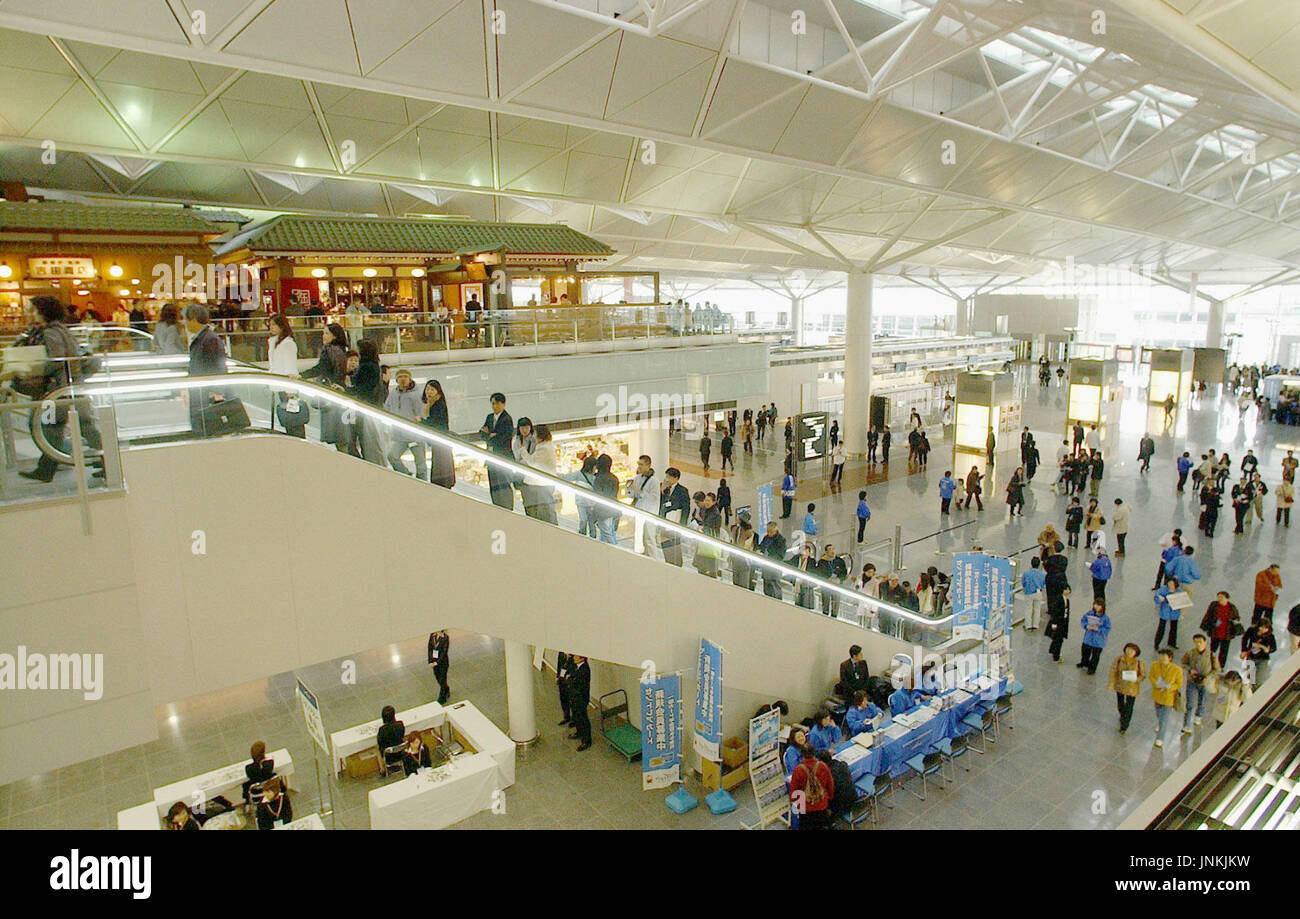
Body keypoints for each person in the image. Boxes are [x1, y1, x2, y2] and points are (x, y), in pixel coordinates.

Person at [13, 297, 105, 482]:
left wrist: (33, 371)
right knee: (85, 425)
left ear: (41, 311)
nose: (28, 312)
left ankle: (48, 467)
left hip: (56, 389)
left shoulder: (49, 333)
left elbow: (56, 359)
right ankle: (106, 461)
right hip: (73, 385)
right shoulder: (62, 330)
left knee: (49, 427)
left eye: (31, 309)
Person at [184, 303, 232, 438]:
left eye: (187, 320)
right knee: (204, 427)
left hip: (205, 394)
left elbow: (218, 366)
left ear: (193, 319)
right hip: (201, 392)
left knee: (207, 429)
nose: (186, 324)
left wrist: (217, 391)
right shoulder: (205, 338)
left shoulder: (209, 339)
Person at [383, 368, 427, 477]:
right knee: (392, 456)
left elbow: (422, 412)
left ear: (410, 379)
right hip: (399, 435)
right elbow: (387, 408)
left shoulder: (417, 394)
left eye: (405, 377)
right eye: (400, 377)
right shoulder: (393, 393)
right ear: (397, 380)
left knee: (420, 463)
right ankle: (406, 475)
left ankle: (423, 484)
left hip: (415, 436)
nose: (403, 379)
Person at [479, 393, 515, 509]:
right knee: (493, 483)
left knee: (503, 483)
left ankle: (507, 507)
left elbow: (503, 438)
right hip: (491, 456)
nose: (494, 406)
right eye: (493, 403)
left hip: (502, 456)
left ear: (503, 404)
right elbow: (482, 432)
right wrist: (490, 435)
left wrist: (490, 435)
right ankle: (496, 505)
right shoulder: (490, 417)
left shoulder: (506, 419)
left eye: (497, 403)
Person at [789, 744, 834, 830]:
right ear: (814, 752)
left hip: (805, 807)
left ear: (802, 754)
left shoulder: (798, 770)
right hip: (821, 803)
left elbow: (794, 792)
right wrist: (828, 797)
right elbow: (830, 784)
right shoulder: (822, 766)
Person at [420, 380, 455, 488]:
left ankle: (442, 485)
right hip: (439, 440)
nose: (429, 392)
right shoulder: (432, 404)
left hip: (441, 439)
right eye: (427, 389)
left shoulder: (438, 404)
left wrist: (422, 422)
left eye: (432, 389)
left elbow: (435, 422)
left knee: (441, 464)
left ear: (437, 391)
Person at [1179, 634, 1218, 732]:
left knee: (1202, 701)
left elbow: (1217, 669)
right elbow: (1183, 663)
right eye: (1196, 642)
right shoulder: (1190, 653)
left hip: (1205, 682)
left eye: (1200, 642)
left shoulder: (1211, 655)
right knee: (1190, 704)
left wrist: (1208, 677)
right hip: (1192, 681)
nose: (1198, 644)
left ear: (1205, 642)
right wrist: (1190, 670)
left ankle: (1199, 715)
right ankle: (1186, 724)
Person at [1148, 648, 1183, 748]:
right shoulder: (1155, 665)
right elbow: (1151, 676)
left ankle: (1160, 738)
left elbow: (1179, 683)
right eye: (1161, 656)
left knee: (1164, 719)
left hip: (1169, 697)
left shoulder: (1177, 670)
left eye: (1164, 656)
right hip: (1157, 694)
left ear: (1170, 658)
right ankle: (1160, 725)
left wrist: (1170, 687)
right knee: (1159, 714)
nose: (1162, 658)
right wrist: (1156, 684)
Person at [1107, 643, 1145, 733]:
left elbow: (1143, 675)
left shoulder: (1139, 663)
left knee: (1129, 706)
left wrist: (1136, 679)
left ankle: (1124, 725)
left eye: (1132, 651)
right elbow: (1113, 670)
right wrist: (1111, 683)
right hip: (1120, 685)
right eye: (1128, 650)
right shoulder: (1119, 659)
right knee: (1120, 704)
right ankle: (1122, 715)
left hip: (1132, 688)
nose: (1129, 652)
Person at [658, 468, 690, 566]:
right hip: (664, 521)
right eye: (666, 476)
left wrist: (682, 525)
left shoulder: (682, 490)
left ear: (676, 478)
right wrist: (661, 492)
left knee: (674, 545)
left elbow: (686, 509)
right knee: (665, 543)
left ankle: (677, 564)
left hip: (675, 522)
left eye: (669, 477)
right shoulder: (663, 488)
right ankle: (668, 562)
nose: (666, 479)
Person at [1077, 598, 1111, 674]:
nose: (1096, 606)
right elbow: (1083, 620)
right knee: (1085, 651)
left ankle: (1092, 668)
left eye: (1098, 605)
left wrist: (1098, 629)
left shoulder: (1105, 618)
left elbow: (1107, 628)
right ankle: (1084, 662)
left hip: (1098, 640)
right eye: (1095, 604)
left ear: (1102, 607)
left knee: (1095, 656)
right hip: (1088, 638)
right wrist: (1086, 626)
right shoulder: (1089, 613)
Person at [566, 654, 592, 750]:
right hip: (574, 697)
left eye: (576, 656)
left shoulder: (584, 670)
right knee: (576, 716)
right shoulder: (576, 667)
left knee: (583, 719)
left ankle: (586, 741)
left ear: (582, 658)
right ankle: (579, 732)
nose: (573, 657)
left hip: (580, 698)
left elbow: (580, 685)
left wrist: (570, 681)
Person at [1240, 618, 1276, 687]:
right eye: (1261, 627)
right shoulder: (1252, 630)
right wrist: (1244, 650)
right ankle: (1251, 691)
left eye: (1266, 628)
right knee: (1251, 678)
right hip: (1251, 657)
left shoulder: (1270, 636)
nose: (1263, 629)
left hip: (1263, 658)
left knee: (1260, 679)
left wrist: (1267, 649)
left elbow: (1274, 647)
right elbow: (1244, 638)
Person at [757, 521, 786, 598]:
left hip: (774, 569)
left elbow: (781, 555)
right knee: (766, 589)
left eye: (770, 531)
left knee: (775, 590)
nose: (769, 533)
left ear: (775, 530)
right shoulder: (766, 538)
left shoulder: (781, 540)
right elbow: (761, 547)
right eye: (767, 531)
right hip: (766, 568)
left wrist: (770, 554)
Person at [242, 741, 276, 807]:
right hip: (270, 793)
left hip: (257, 797)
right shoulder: (269, 764)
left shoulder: (249, 768)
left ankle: (247, 804)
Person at [377, 705, 406, 770]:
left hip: (388, 757)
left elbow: (379, 743)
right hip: (401, 753)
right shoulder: (400, 724)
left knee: (377, 749)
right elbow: (402, 735)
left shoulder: (382, 730)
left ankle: (382, 769)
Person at [1021, 556, 1046, 630]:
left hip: (1029, 592)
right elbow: (1044, 583)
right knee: (1037, 609)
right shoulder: (1042, 574)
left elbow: (1024, 583)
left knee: (1028, 609)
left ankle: (1028, 625)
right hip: (1038, 592)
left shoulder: (1026, 573)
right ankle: (1036, 625)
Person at [428, 630, 450, 704]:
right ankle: (446, 689)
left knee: (442, 679)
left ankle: (442, 697)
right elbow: (430, 648)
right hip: (434, 662)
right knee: (438, 678)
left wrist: (437, 662)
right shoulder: (432, 635)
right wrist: (430, 661)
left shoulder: (445, 638)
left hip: (442, 663)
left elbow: (444, 652)